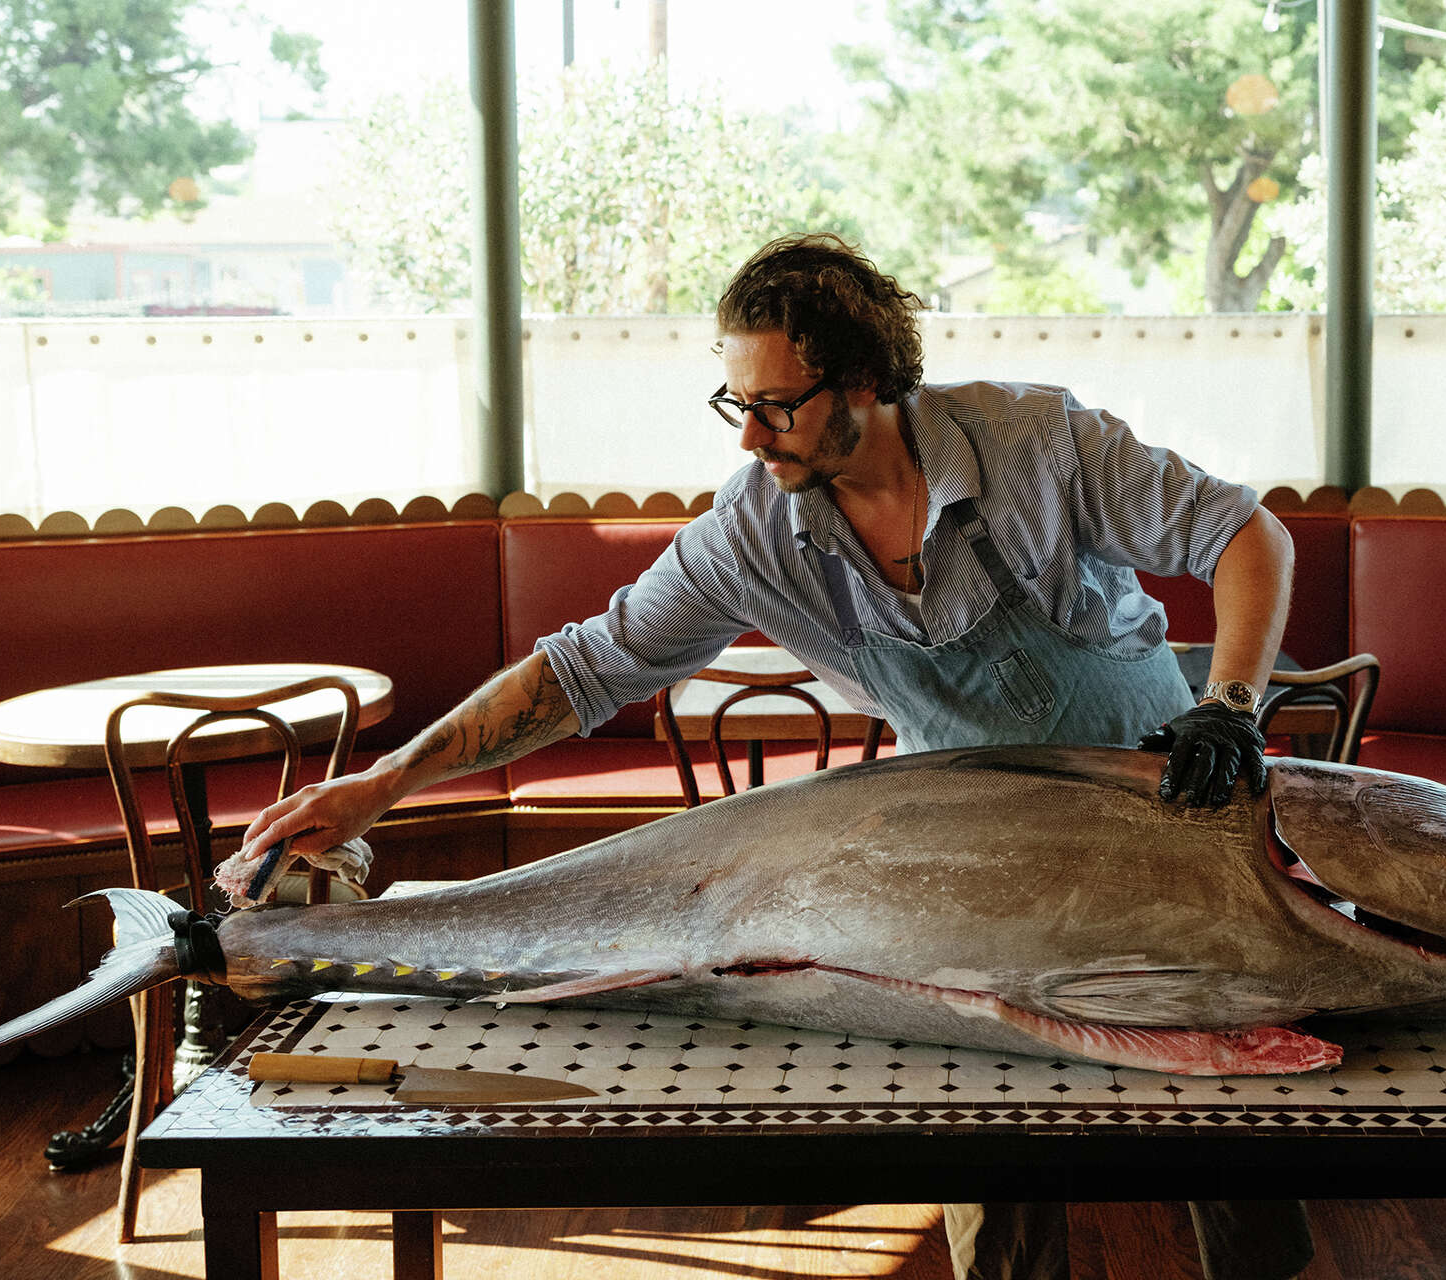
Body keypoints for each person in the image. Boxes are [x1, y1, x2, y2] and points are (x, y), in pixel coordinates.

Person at [220, 232, 1307, 1280]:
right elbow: (586, 668)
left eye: (779, 403)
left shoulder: (1042, 443)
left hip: (1162, 795)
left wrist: (1233, 706)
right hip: (967, 844)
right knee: (982, 1097)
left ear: (871, 380)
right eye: (737, 402)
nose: (751, 434)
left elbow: (1245, 534)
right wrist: (383, 782)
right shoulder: (751, 532)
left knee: (1231, 1098)